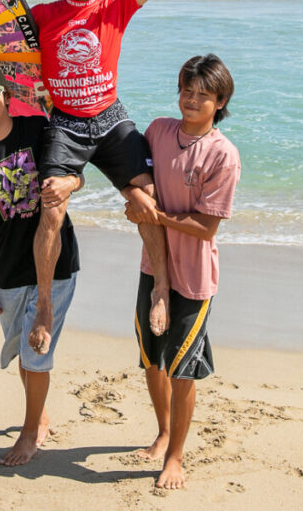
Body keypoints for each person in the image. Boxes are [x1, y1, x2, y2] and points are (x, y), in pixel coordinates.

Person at [28, 0, 193, 355]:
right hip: (64, 123)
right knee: (51, 207)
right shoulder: (40, 16)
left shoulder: (115, 7)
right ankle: (44, 305)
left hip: (111, 118)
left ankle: (161, 286)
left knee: (147, 199)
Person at [0, 62, 82, 466]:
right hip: (6, 272)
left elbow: (75, 173)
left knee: (36, 349)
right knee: (25, 353)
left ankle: (30, 434)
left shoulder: (38, 131)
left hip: (56, 263)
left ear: (6, 97)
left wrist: (71, 183)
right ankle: (39, 417)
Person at [126, 54, 240, 490]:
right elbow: (127, 166)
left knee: (181, 369)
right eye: (186, 91)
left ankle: (175, 456)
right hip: (152, 268)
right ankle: (162, 433)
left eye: (202, 95)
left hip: (193, 279)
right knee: (152, 360)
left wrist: (153, 214)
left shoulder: (223, 155)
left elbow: (205, 226)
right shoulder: (158, 130)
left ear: (220, 101)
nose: (191, 100)